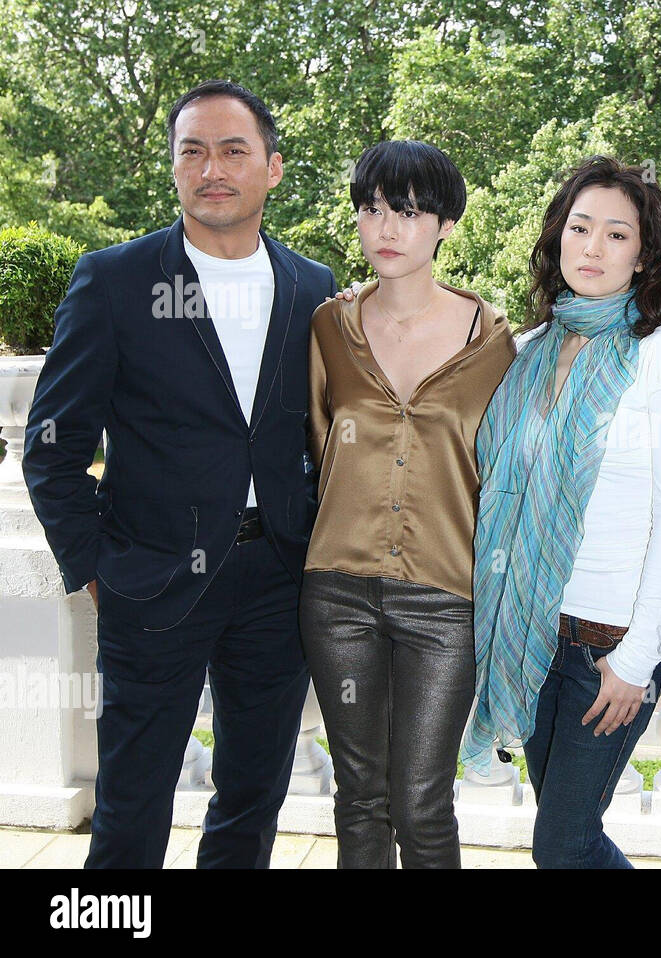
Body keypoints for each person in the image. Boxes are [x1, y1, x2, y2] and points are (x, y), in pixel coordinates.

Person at [23, 80, 336, 868]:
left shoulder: (314, 288)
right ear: (174, 169)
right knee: (131, 807)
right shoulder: (116, 280)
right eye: (191, 150)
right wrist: (95, 567)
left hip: (277, 577)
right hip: (150, 578)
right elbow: (52, 448)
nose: (212, 168)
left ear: (273, 167)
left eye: (234, 149)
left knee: (253, 799)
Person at [462, 155, 661, 868]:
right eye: (580, 227)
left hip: (606, 649)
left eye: (617, 235)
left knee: (560, 846)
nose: (593, 247)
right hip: (528, 635)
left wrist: (636, 659)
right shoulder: (522, 352)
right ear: (557, 237)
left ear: (644, 254)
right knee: (570, 839)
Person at [300, 140, 515, 867]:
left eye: (408, 211)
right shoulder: (331, 328)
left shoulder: (496, 343)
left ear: (447, 224)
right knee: (359, 795)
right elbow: (321, 443)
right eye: (371, 210)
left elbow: (502, 473)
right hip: (337, 592)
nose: (386, 229)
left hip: (445, 599)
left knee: (422, 799)